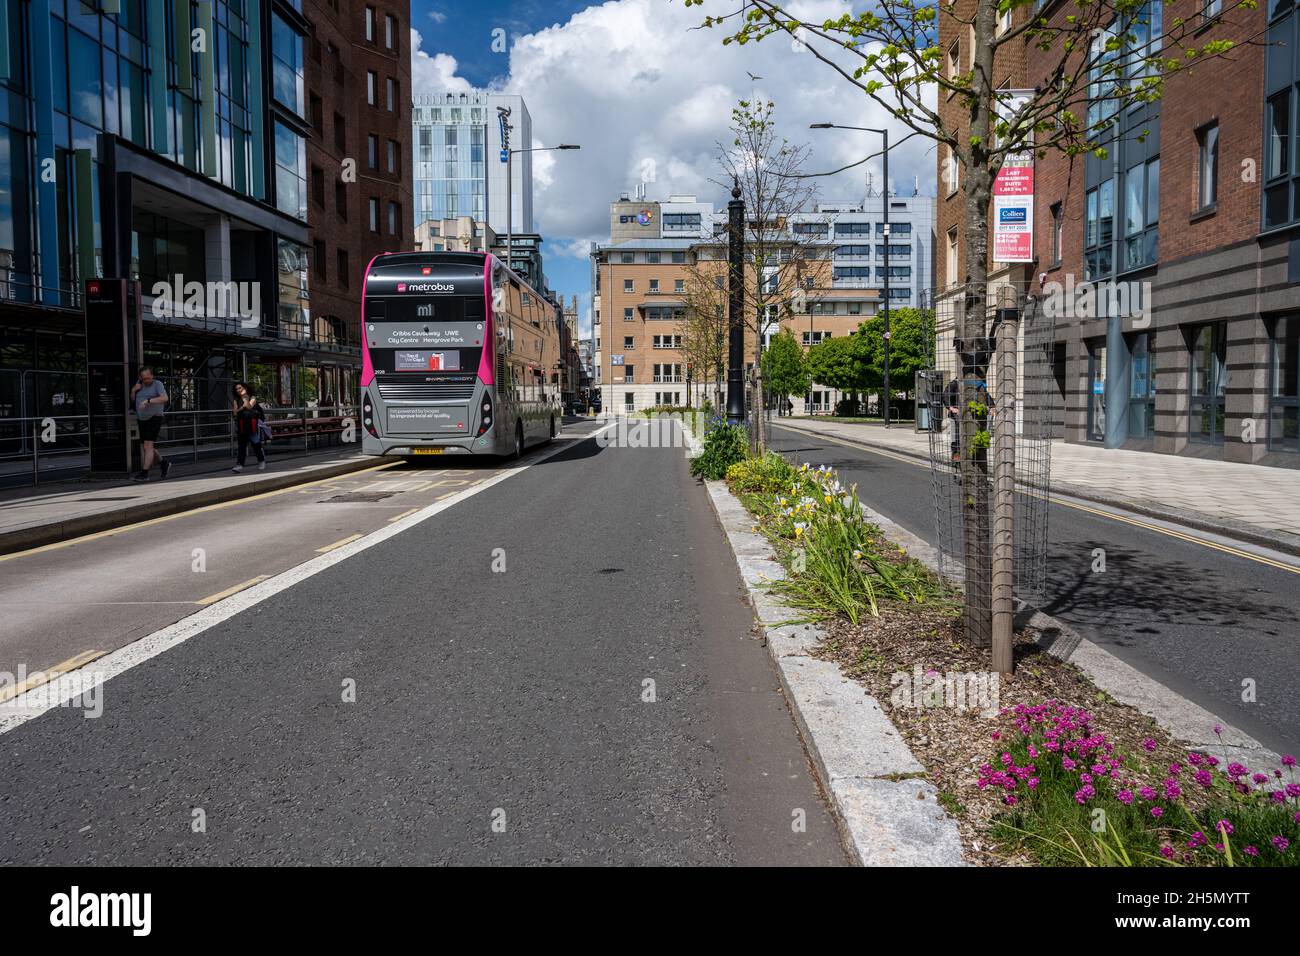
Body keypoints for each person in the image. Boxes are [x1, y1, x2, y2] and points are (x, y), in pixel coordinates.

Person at [130, 367, 170, 481]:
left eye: (148, 378)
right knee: (147, 447)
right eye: (144, 379)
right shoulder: (139, 385)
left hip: (154, 417)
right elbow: (133, 400)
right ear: (140, 378)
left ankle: (144, 474)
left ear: (152, 375)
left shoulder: (158, 384)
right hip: (141, 419)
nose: (147, 380)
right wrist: (133, 391)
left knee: (147, 446)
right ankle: (164, 463)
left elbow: (164, 398)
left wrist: (148, 401)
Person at [231, 381, 267, 473]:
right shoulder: (236, 399)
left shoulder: (252, 397)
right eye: (237, 389)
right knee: (241, 445)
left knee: (255, 443)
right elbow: (235, 412)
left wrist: (245, 398)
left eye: (240, 388)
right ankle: (239, 465)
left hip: (252, 424)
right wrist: (242, 407)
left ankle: (261, 460)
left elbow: (249, 406)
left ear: (245, 388)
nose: (239, 390)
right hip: (242, 424)